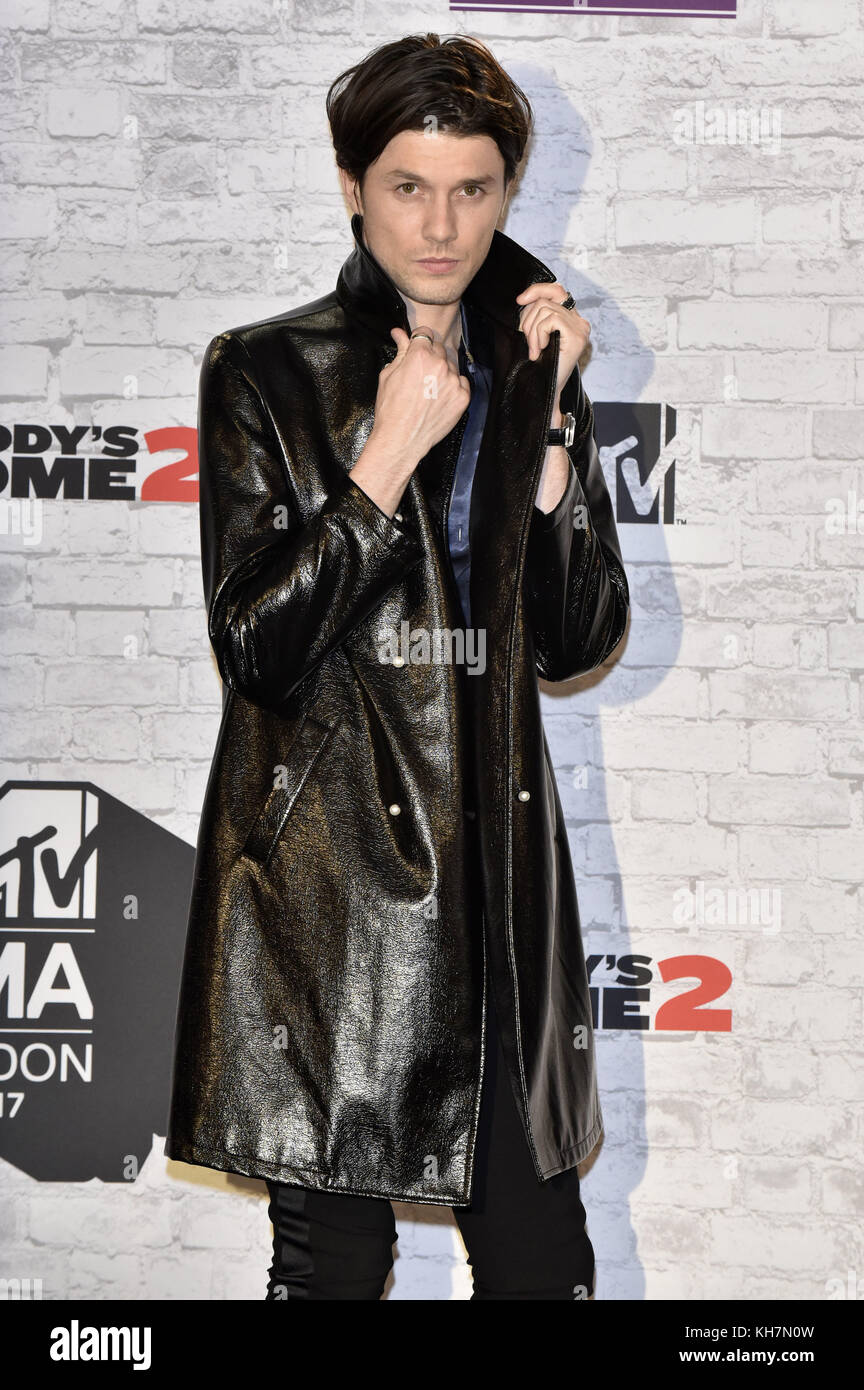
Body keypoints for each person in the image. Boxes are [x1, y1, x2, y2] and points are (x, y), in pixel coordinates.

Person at [164, 32, 629, 1301]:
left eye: (472, 189)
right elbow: (256, 646)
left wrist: (550, 434)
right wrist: (385, 457)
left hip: (497, 884)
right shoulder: (265, 370)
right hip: (334, 897)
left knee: (542, 1259)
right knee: (337, 1268)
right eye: (409, 187)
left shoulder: (537, 366)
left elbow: (581, 640)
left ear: (507, 192)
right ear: (353, 185)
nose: (441, 225)